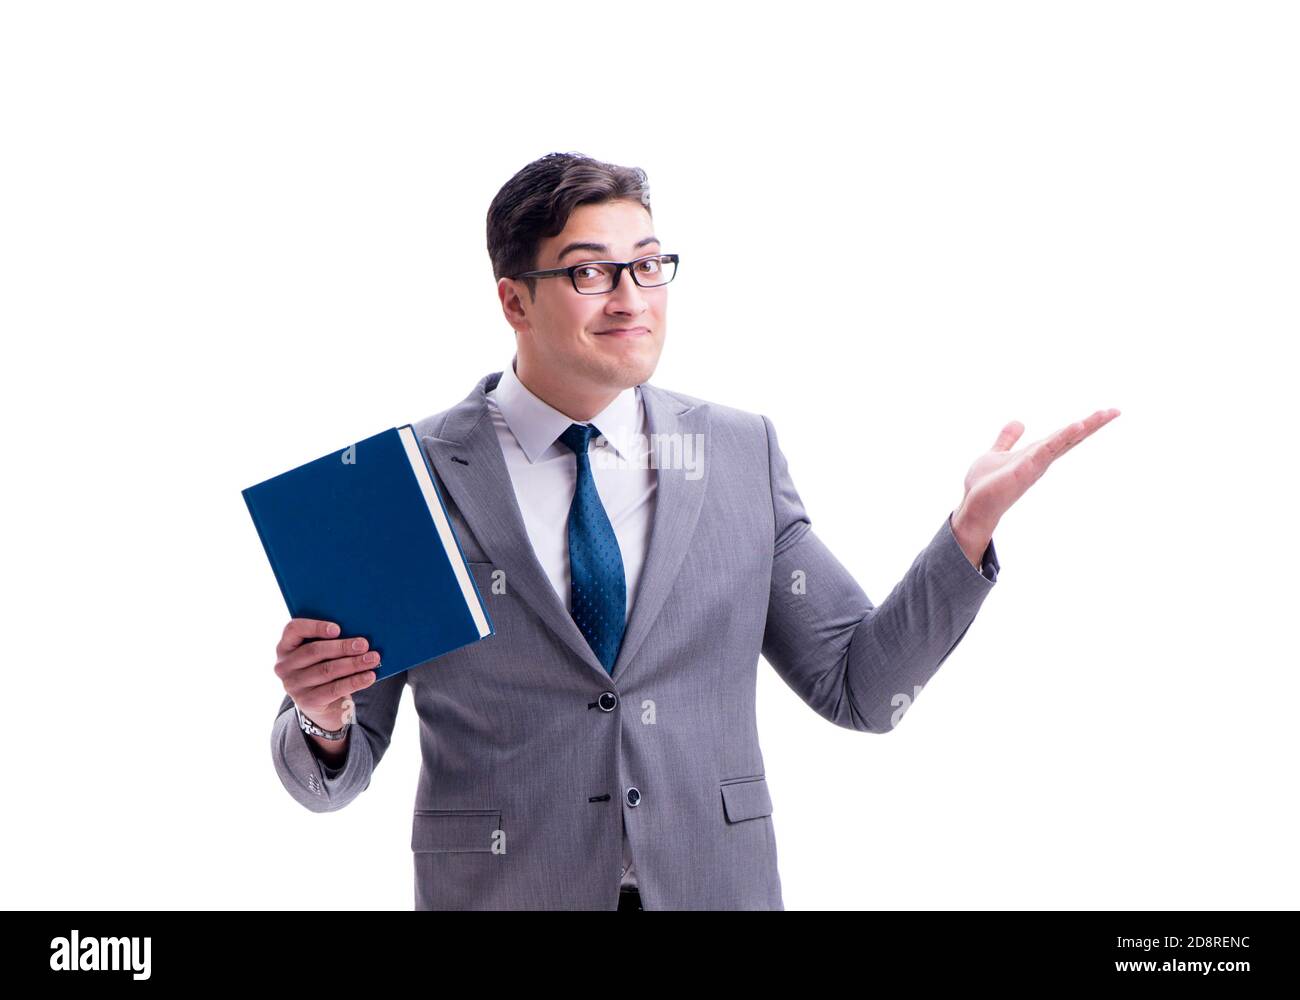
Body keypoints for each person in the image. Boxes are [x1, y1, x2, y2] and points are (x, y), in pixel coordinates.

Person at [269, 151, 1120, 910]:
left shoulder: (737, 454)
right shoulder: (403, 482)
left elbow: (861, 688)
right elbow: (329, 777)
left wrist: (968, 530)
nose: (631, 300)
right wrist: (323, 720)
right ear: (513, 299)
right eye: (591, 274)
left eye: (648, 266)